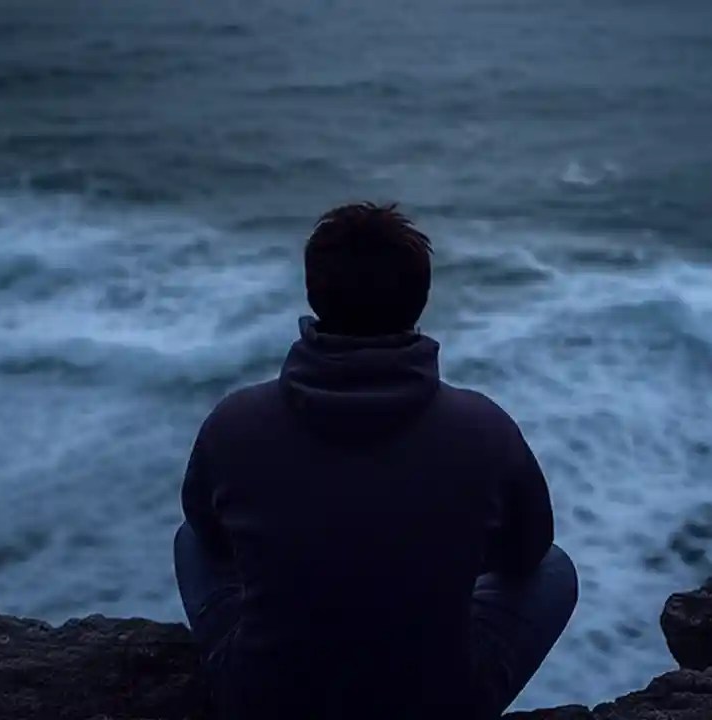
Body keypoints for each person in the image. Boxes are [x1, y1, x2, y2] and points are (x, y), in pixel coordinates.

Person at [174, 203, 577, 719]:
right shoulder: (483, 427)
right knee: (554, 568)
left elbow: (207, 533)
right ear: (421, 299)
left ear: (313, 292)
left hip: (261, 701)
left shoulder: (235, 421)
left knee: (191, 540)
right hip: (439, 706)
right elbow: (527, 551)